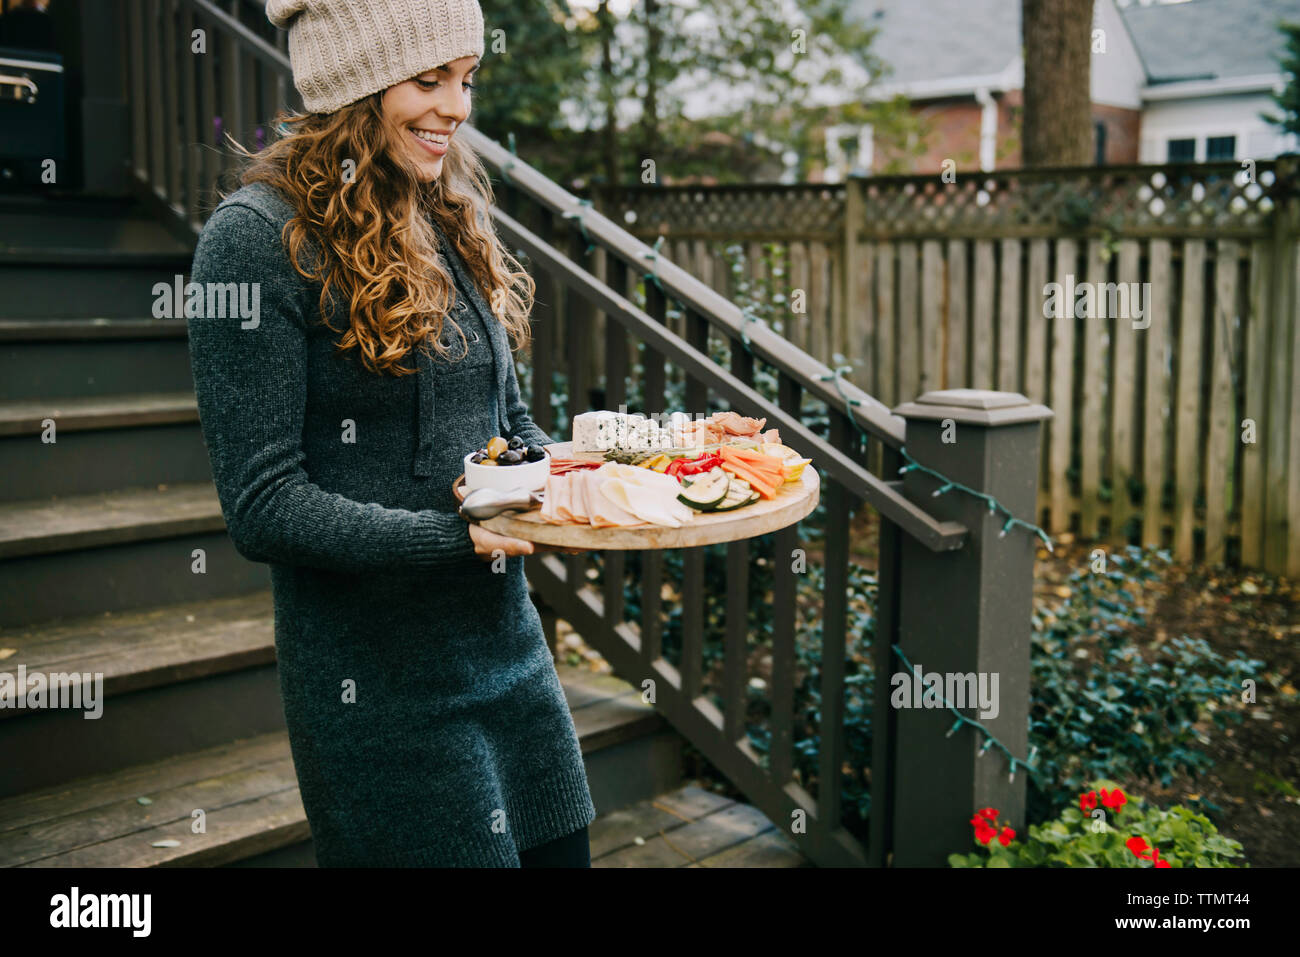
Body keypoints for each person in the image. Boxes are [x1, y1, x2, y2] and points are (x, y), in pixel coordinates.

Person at [186, 0, 595, 867]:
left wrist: (601, 474)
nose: (459, 107)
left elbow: (507, 428)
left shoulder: (449, 216)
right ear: (354, 81)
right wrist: (455, 538)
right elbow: (265, 504)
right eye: (429, 79)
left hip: (509, 652)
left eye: (466, 79)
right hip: (376, 685)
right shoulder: (254, 242)